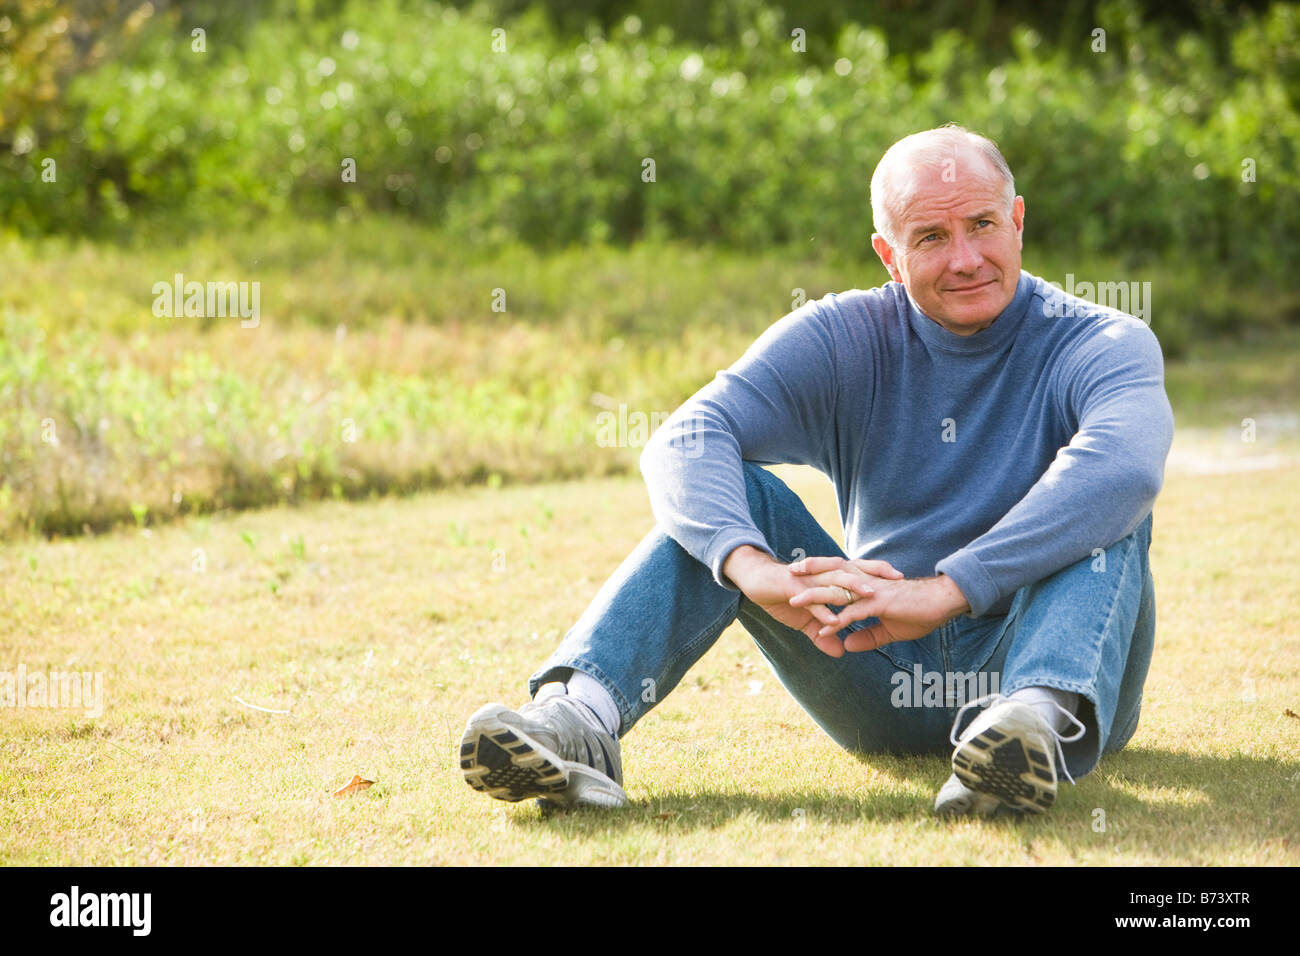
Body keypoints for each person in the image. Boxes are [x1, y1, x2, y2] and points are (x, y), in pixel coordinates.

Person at [458, 124, 1173, 816]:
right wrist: (752, 568)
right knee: (723, 502)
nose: (965, 258)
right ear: (889, 255)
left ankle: (1025, 732)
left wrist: (950, 588)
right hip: (878, 666)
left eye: (982, 224)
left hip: (1048, 666)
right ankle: (574, 720)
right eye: (930, 237)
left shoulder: (1102, 339)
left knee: (1107, 514)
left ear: (1017, 220)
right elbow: (687, 436)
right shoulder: (844, 336)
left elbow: (1125, 468)